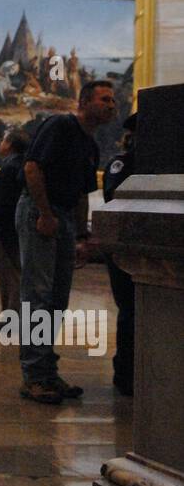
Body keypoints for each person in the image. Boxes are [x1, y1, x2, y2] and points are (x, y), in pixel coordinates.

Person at [15, 79, 117, 404]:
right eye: (104, 99)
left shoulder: (91, 144)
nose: (111, 105)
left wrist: (83, 235)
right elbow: (32, 169)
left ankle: (47, 371)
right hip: (39, 211)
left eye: (113, 101)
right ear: (84, 102)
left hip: (64, 216)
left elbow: (83, 194)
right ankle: (33, 377)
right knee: (38, 294)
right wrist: (45, 214)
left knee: (57, 299)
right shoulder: (60, 125)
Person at [102, 112, 137, 396]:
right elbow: (116, 197)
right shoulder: (122, 163)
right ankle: (125, 374)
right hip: (124, 247)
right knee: (130, 311)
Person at [0, 127, 29, 331]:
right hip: (11, 229)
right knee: (12, 276)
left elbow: (5, 204)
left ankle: (11, 320)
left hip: (4, 231)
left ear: (9, 145)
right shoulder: (20, 165)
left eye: (3, 140)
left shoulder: (11, 168)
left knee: (8, 277)